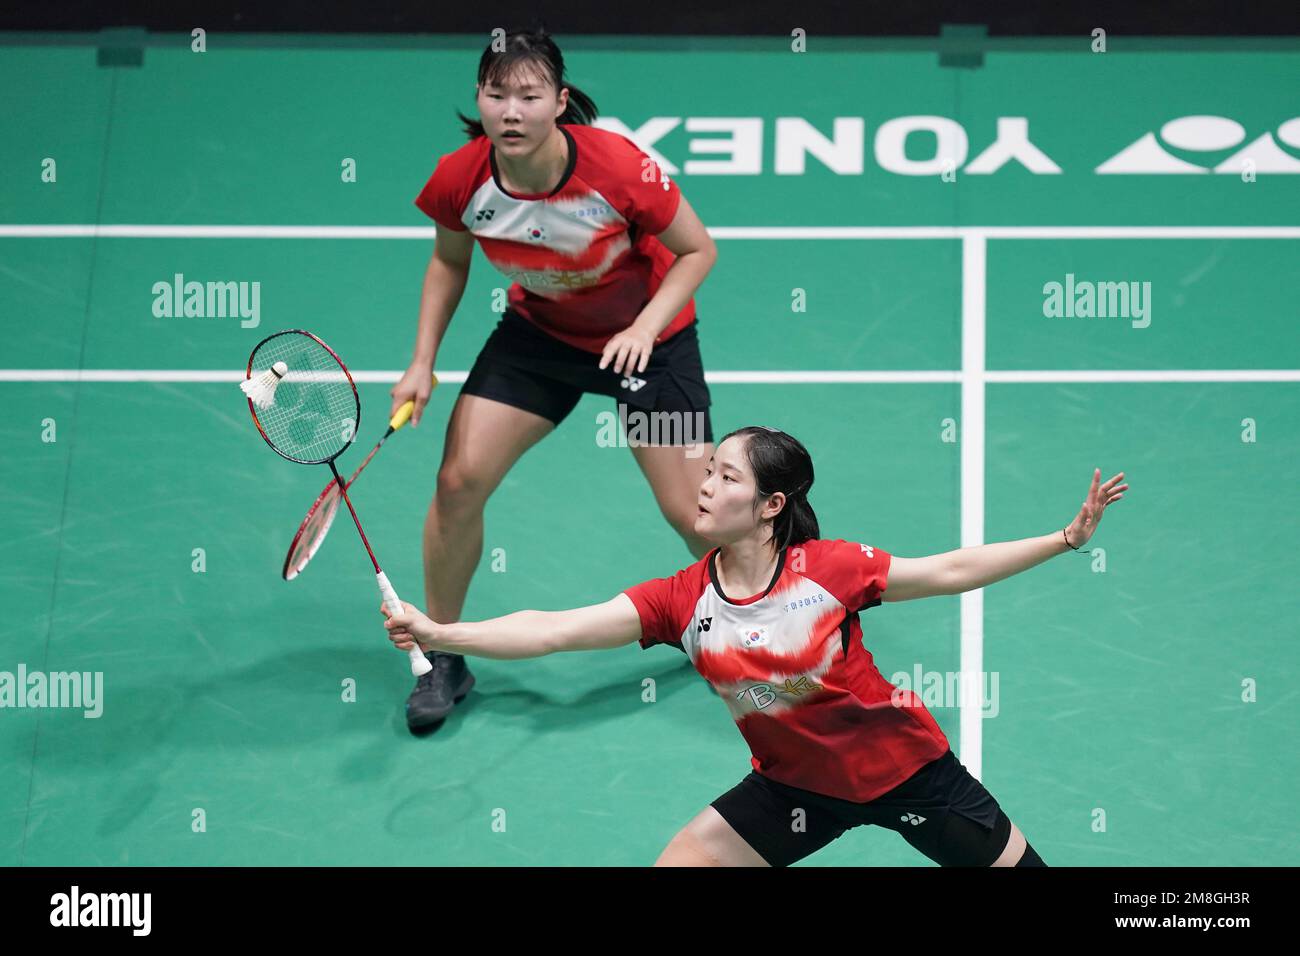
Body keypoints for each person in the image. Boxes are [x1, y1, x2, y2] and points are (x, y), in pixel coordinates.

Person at [381, 425, 1129, 866]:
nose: (703, 487)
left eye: (724, 477)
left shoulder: (831, 570)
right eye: (707, 472)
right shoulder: (681, 600)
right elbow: (552, 630)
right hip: (793, 787)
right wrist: (445, 633)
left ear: (771, 506)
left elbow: (951, 570)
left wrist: (1065, 539)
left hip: (910, 777)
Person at [394, 27, 719, 730]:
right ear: (478, 99)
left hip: (649, 343)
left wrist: (642, 327)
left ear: (559, 102)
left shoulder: (619, 168)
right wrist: (422, 361)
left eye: (529, 96)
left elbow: (697, 250)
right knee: (457, 483)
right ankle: (444, 654)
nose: (511, 111)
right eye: (496, 94)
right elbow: (449, 262)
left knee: (695, 513)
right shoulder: (462, 178)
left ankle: (762, 608)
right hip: (540, 338)